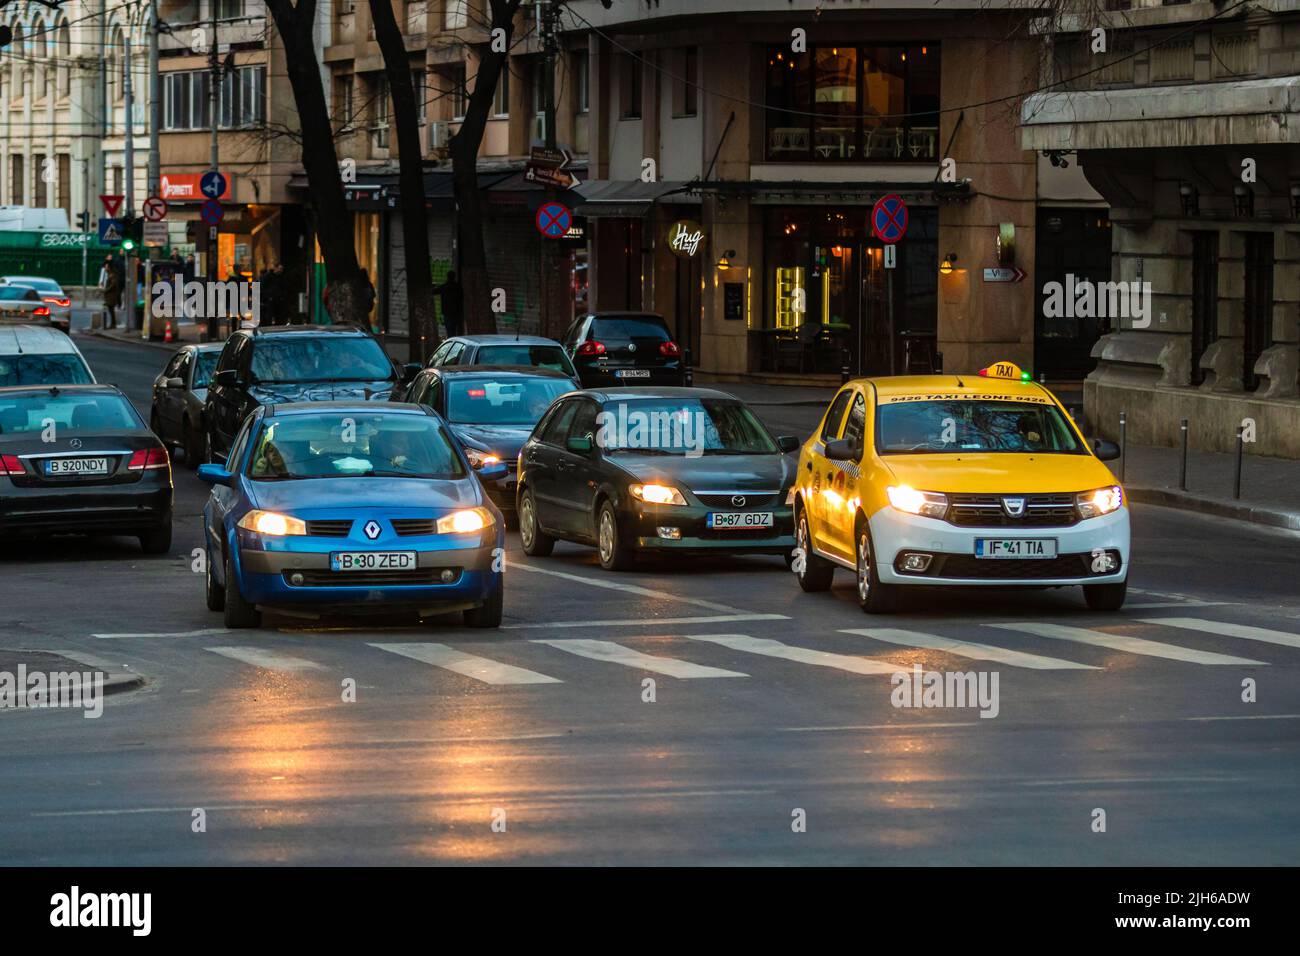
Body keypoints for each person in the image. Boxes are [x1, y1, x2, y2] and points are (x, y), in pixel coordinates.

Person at [433, 270, 464, 338]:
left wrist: (433, 286)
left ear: (448, 277)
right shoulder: (458, 287)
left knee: (449, 330)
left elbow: (434, 291)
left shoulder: (445, 286)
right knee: (454, 328)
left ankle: (451, 341)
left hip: (447, 311)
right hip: (456, 311)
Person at [102, 257, 123, 330]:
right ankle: (112, 324)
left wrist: (106, 290)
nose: (105, 268)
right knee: (110, 310)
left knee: (111, 311)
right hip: (110, 295)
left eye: (106, 267)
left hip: (111, 296)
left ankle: (113, 324)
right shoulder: (110, 274)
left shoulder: (112, 275)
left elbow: (113, 285)